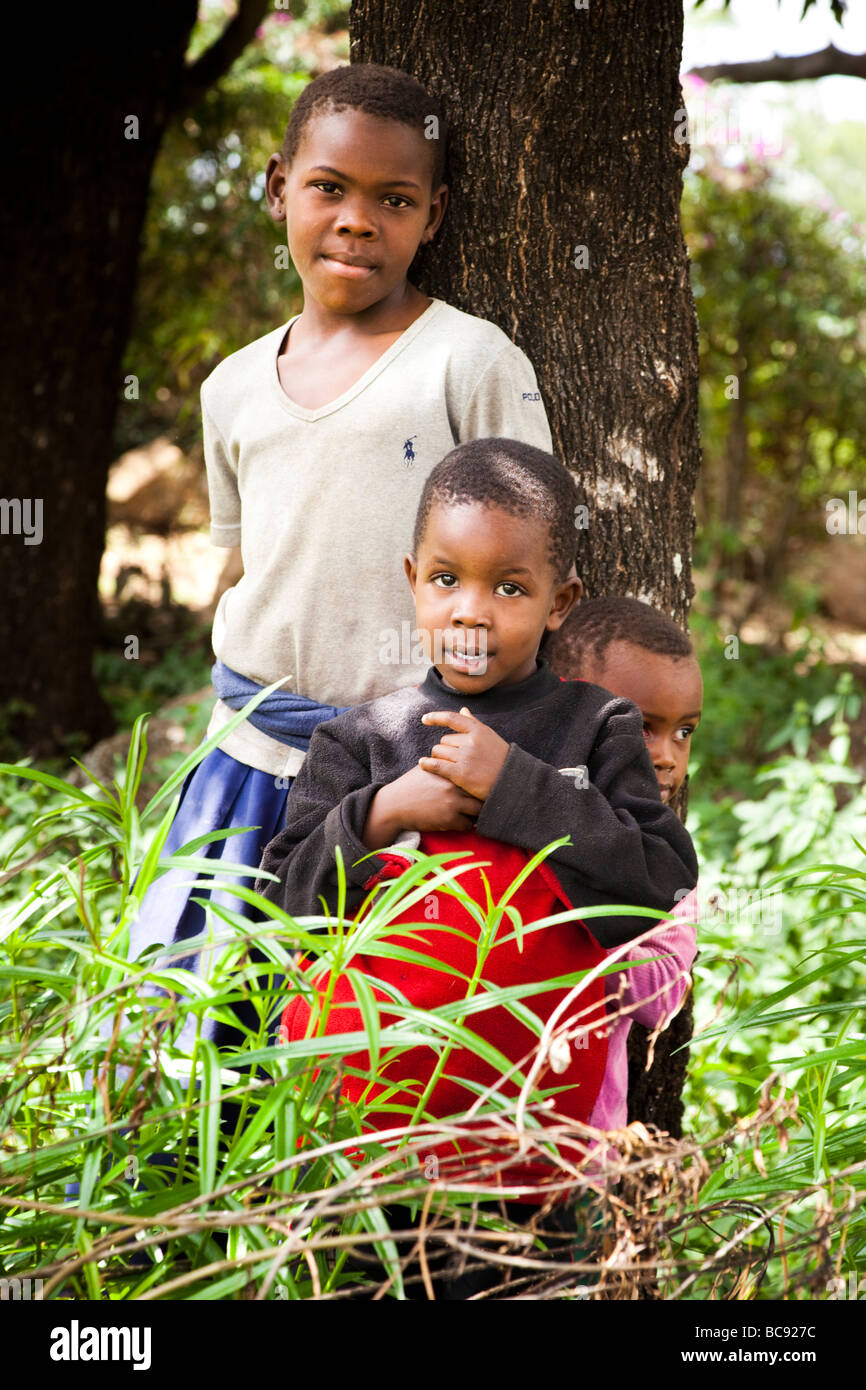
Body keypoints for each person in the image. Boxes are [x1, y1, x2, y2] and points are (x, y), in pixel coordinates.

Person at [126, 64, 553, 1046]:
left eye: (392, 199)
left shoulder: (469, 364)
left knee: (370, 1041)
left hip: (402, 769)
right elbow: (246, 567)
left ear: (431, 215)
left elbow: (530, 574)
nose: (357, 221)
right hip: (244, 754)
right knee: (207, 1035)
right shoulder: (231, 387)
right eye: (329, 188)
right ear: (279, 187)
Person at [257, 439, 699, 1217]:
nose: (470, 609)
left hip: (537, 1152)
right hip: (364, 1153)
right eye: (446, 579)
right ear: (412, 582)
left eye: (509, 588)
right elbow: (282, 907)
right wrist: (384, 812)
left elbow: (656, 882)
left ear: (559, 603)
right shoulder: (362, 740)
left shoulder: (595, 729)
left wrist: (516, 788)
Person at [561, 596, 703, 1137]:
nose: (667, 755)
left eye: (684, 732)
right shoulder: (517, 809)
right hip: (460, 1136)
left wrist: (561, 945)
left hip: (580, 1150)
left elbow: (664, 991)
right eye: (642, 727)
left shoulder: (663, 857)